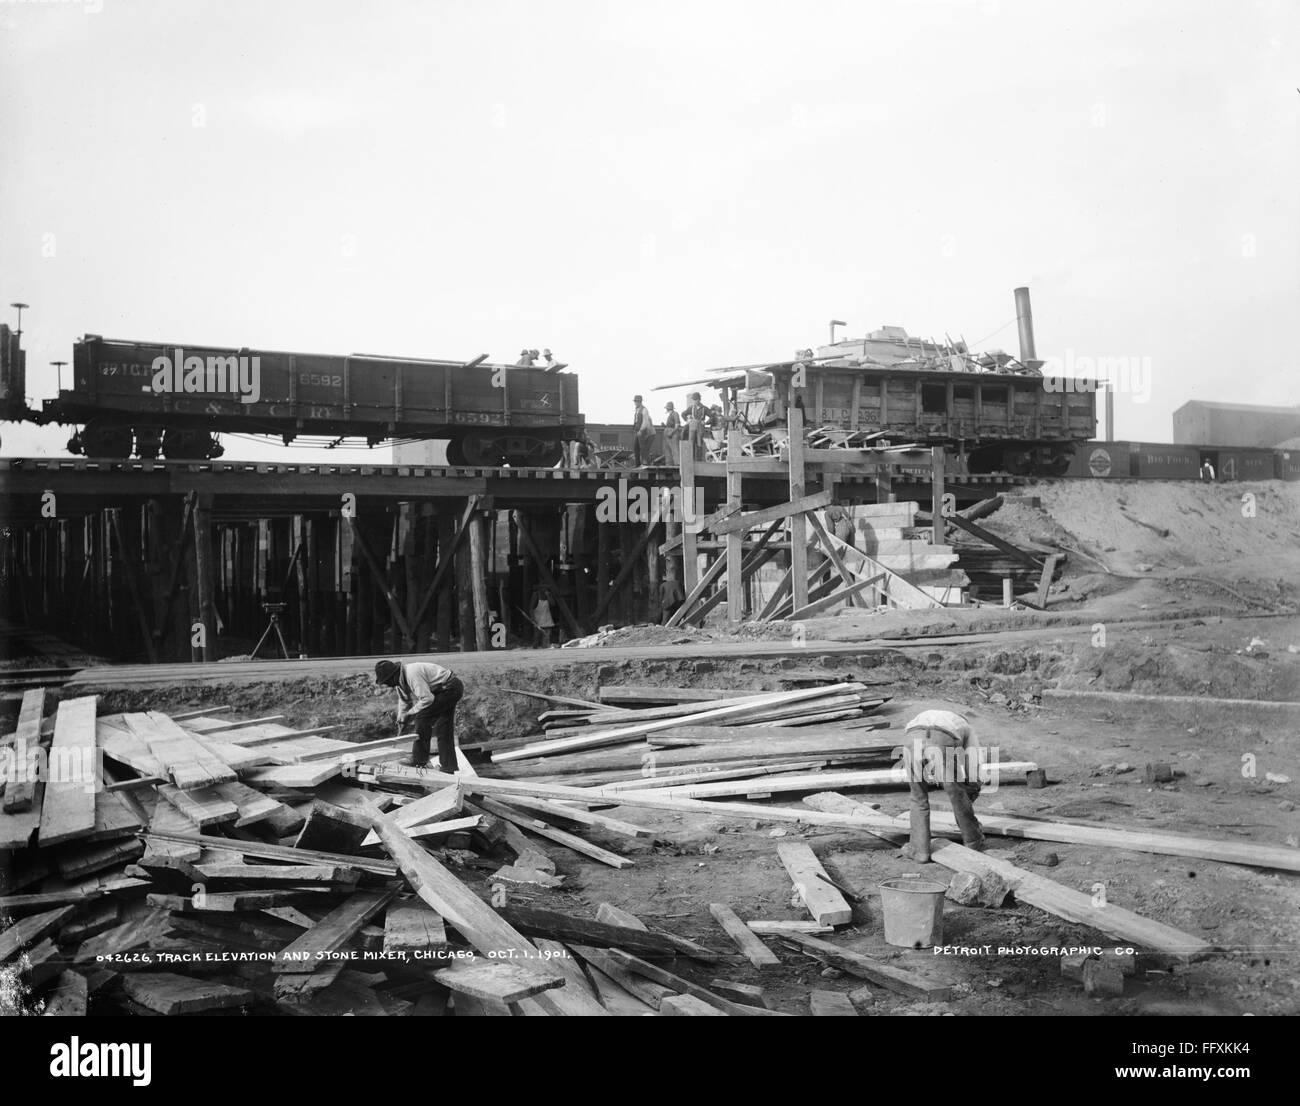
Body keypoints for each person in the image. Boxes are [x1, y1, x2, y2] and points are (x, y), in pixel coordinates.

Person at [901, 707, 985, 862]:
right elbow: (973, 762)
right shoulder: (967, 727)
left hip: (911, 737)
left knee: (918, 797)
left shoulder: (928, 715)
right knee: (956, 793)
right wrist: (972, 787)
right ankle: (973, 841)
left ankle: (920, 852)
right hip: (941, 737)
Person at [374, 658, 464, 772]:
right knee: (443, 727)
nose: (388, 685)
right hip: (444, 690)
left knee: (422, 718)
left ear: (393, 676)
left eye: (387, 681)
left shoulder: (412, 675)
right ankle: (449, 767)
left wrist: (410, 713)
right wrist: (401, 718)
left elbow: (427, 699)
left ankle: (419, 760)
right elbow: (404, 701)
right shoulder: (400, 681)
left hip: (450, 688)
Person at [683, 391, 711, 462]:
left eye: (696, 399)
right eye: (694, 400)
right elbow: (683, 414)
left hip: (700, 427)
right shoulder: (691, 408)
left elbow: (712, 416)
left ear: (699, 399)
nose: (695, 401)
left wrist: (706, 422)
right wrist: (687, 420)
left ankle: (699, 461)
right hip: (692, 427)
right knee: (691, 443)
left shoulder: (704, 408)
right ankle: (690, 460)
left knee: (699, 444)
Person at [632, 394, 655, 467]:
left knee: (643, 448)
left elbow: (645, 422)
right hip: (639, 432)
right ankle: (637, 464)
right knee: (636, 448)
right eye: (635, 401)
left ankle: (645, 463)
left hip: (645, 432)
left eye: (637, 401)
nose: (635, 402)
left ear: (640, 401)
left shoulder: (644, 410)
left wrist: (641, 431)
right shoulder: (637, 410)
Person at [662, 401, 682, 465]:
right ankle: (669, 463)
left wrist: (672, 433)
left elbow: (677, 425)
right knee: (667, 449)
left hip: (673, 433)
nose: (666, 409)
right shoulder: (670, 414)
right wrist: (665, 426)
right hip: (669, 431)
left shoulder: (675, 414)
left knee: (675, 449)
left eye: (667, 408)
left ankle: (677, 464)